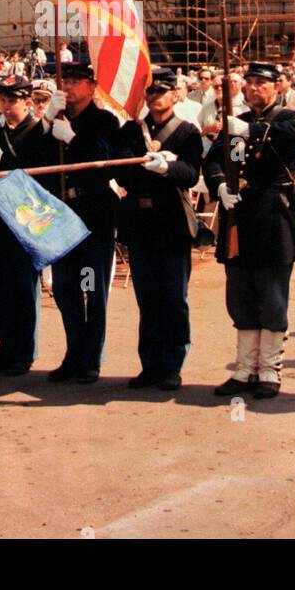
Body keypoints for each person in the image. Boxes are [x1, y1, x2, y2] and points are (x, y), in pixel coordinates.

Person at [204, 62, 295, 399]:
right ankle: (244, 368)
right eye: (248, 83)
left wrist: (251, 132)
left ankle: (269, 369)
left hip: (273, 216)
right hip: (240, 216)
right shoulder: (239, 123)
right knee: (241, 295)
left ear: (276, 86)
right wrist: (220, 185)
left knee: (272, 296)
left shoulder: (287, 116)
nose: (252, 88)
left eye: (260, 83)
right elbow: (217, 161)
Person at [117, 68, 203, 391]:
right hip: (140, 222)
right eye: (150, 93)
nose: (155, 98)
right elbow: (123, 171)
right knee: (148, 297)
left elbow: (191, 173)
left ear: (175, 95)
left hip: (170, 223)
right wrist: (143, 164)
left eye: (162, 92)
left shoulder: (187, 132)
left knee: (173, 297)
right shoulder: (131, 131)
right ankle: (150, 364)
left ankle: (172, 365)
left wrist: (168, 167)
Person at [43, 53, 123, 384]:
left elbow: (104, 159)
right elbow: (37, 157)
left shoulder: (104, 121)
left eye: (76, 81)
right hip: (62, 214)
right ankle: (73, 353)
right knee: (64, 287)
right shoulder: (54, 120)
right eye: (65, 81)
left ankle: (92, 357)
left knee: (92, 287)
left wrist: (72, 139)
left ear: (92, 87)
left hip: (93, 214)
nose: (69, 86)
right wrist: (47, 123)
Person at [0, 76, 56, 375]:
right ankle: (5, 348)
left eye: (13, 101)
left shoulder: (38, 133)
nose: (7, 107)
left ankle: (24, 352)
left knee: (24, 288)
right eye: (4, 100)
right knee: (3, 288)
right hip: (0, 219)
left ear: (27, 102)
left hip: (27, 219)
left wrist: (6, 160)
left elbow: (37, 175)